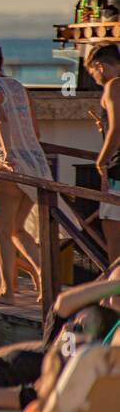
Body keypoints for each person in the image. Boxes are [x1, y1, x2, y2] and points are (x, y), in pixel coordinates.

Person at [0, 36, 48, 300]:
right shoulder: (19, 87)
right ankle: (44, 276)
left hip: (9, 166)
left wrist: (3, 155)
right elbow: (35, 130)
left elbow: (0, 117)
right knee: (18, 228)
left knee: (2, 230)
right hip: (35, 164)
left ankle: (7, 289)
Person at [85, 42, 120, 265]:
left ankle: (115, 293)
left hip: (119, 170)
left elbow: (118, 128)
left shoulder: (114, 86)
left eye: (91, 72)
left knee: (113, 233)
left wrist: (102, 159)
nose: (94, 79)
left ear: (99, 66)